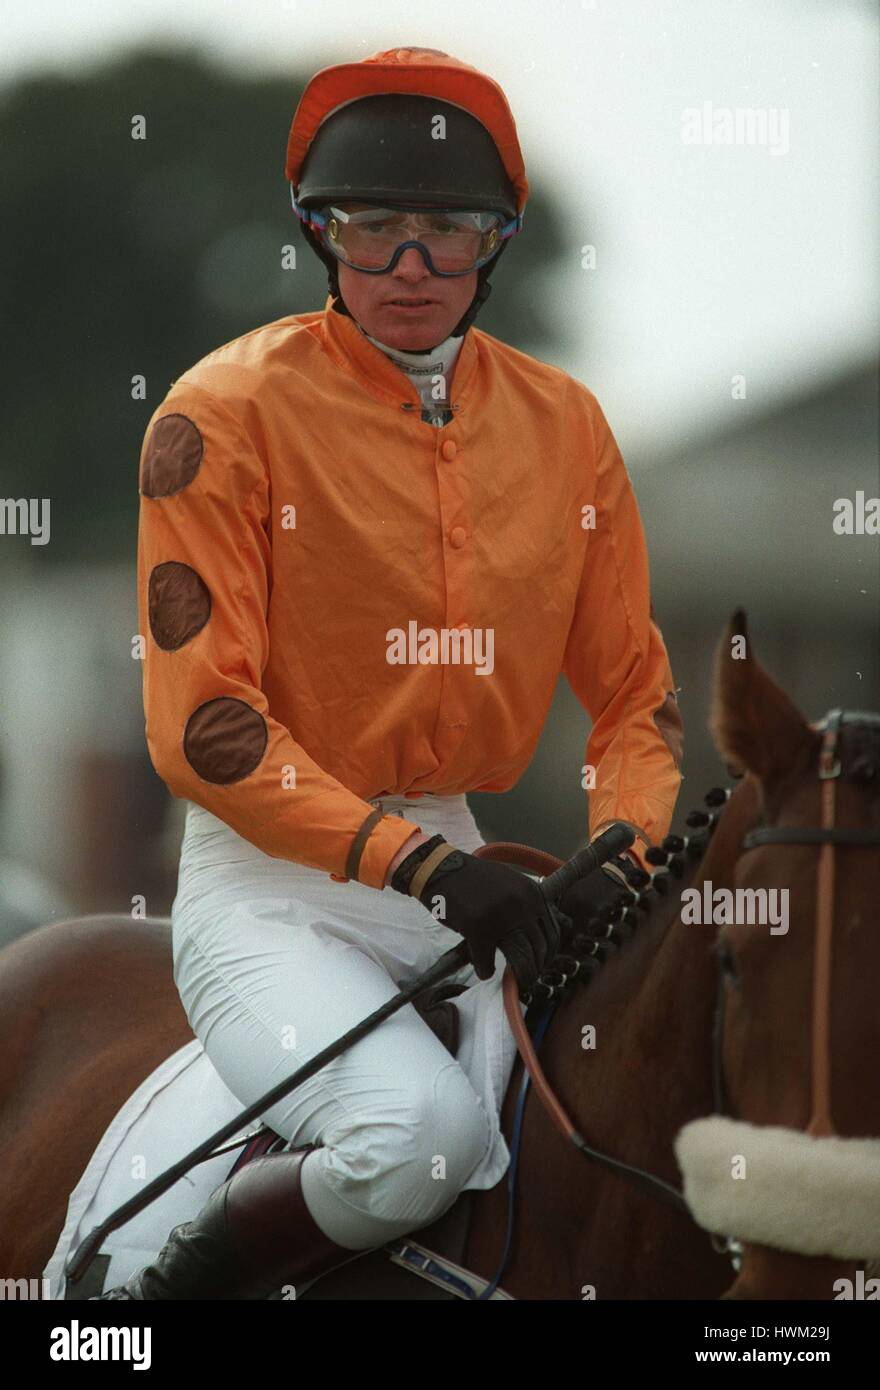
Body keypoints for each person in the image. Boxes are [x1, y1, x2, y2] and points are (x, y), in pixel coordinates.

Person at [98, 46, 683, 1300]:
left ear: (497, 244)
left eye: (447, 231)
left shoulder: (569, 428)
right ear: (321, 235)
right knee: (418, 1138)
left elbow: (634, 692)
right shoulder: (218, 414)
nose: (409, 267)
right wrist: (416, 864)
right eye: (374, 230)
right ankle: (151, 1308)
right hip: (268, 885)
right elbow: (206, 728)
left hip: (465, 863)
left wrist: (625, 857)